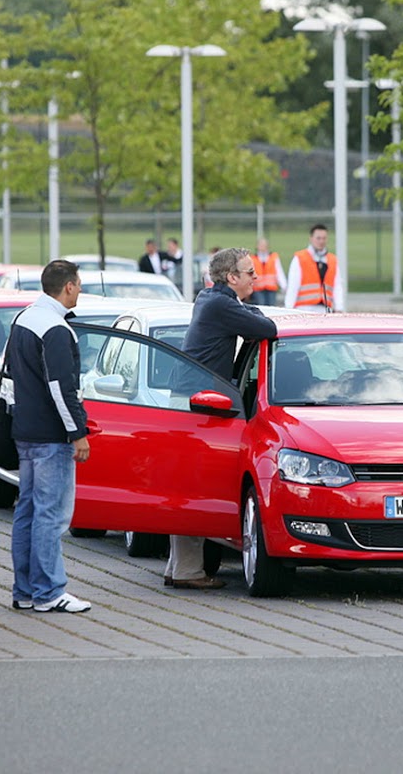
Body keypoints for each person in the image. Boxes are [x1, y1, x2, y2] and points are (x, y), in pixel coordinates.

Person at [165, 248, 278, 590]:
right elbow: (267, 327)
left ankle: (178, 566)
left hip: (191, 397)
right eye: (248, 272)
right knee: (194, 483)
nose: (254, 278)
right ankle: (187, 571)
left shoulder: (209, 298)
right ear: (231, 278)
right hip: (198, 402)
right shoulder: (221, 305)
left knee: (187, 481)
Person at [6, 259, 92, 613]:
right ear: (68, 286)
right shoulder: (56, 329)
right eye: (79, 284)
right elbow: (61, 387)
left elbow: (9, 376)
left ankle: (25, 590)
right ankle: (49, 592)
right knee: (51, 515)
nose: (80, 290)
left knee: (27, 511)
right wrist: (78, 433)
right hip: (50, 436)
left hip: (24, 432)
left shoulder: (23, 318)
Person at [285, 223, 342, 312]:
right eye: (318, 238)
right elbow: (293, 286)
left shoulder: (332, 260)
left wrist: (339, 307)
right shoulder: (300, 258)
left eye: (324, 238)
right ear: (311, 238)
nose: (321, 241)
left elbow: (337, 285)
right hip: (304, 309)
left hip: (325, 309)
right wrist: (288, 309)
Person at [249, 237, 286, 306]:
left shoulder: (274, 257)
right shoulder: (253, 258)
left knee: (272, 307)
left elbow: (279, 271)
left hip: (271, 288)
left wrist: (284, 286)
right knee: (261, 307)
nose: (263, 247)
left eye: (264, 245)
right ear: (257, 246)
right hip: (258, 289)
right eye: (261, 245)